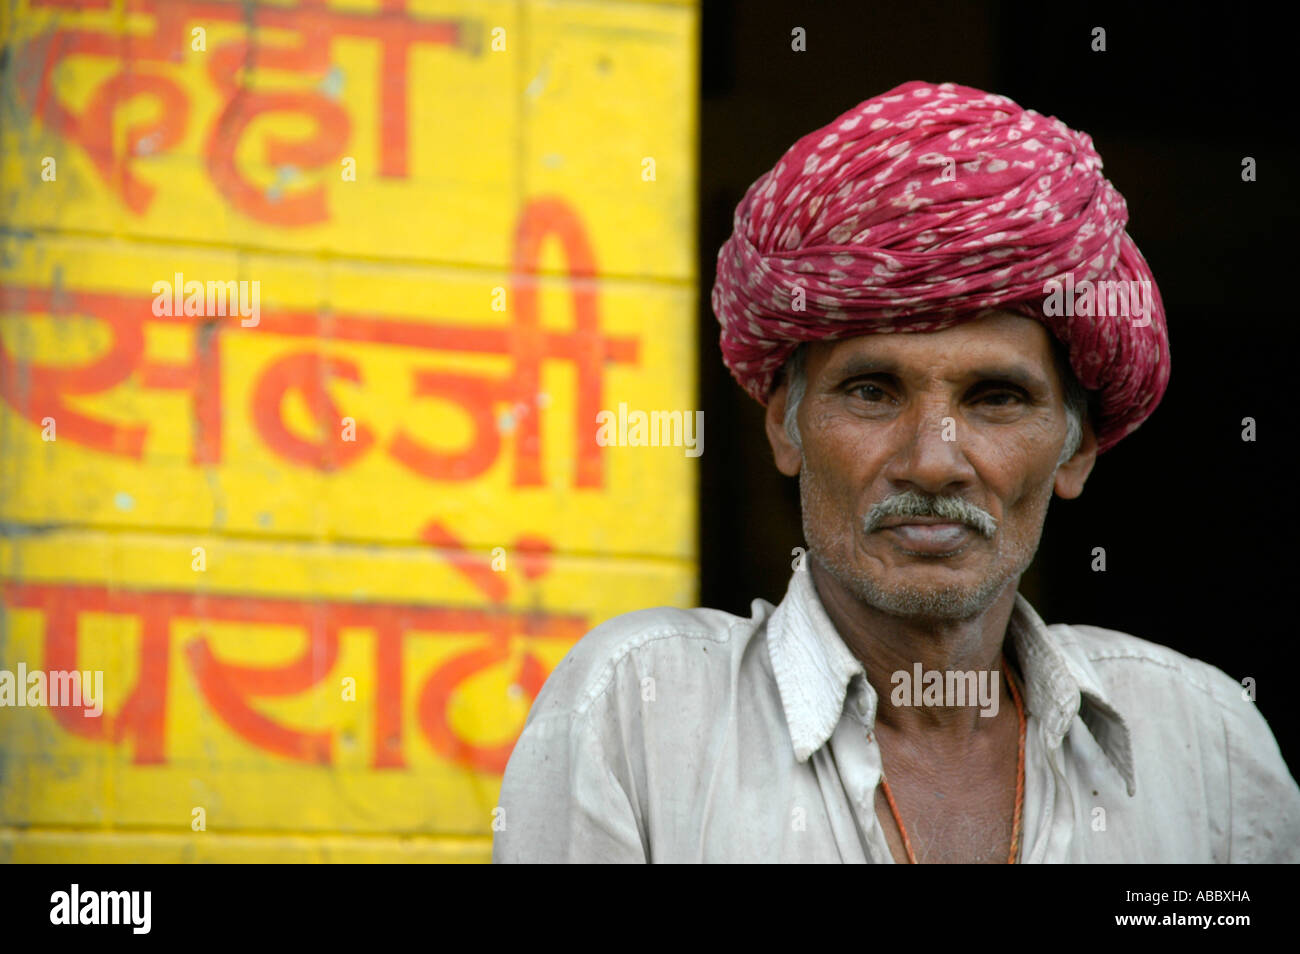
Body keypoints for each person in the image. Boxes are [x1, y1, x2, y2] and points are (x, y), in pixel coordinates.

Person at [493, 80, 1300, 863]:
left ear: (1076, 449)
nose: (933, 462)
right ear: (786, 425)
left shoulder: (1207, 747)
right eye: (873, 392)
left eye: (996, 399)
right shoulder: (638, 714)